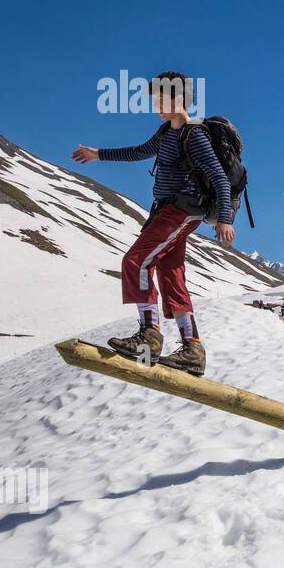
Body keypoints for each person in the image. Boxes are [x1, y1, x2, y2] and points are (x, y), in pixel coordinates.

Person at [71, 72, 233, 377]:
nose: (155, 105)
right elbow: (138, 152)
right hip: (167, 212)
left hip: (181, 210)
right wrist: (98, 154)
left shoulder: (193, 134)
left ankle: (149, 334)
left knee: (136, 260)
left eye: (161, 99)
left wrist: (225, 218)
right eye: (154, 99)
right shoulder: (165, 132)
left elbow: (219, 177)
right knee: (169, 272)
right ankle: (192, 350)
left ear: (179, 99)